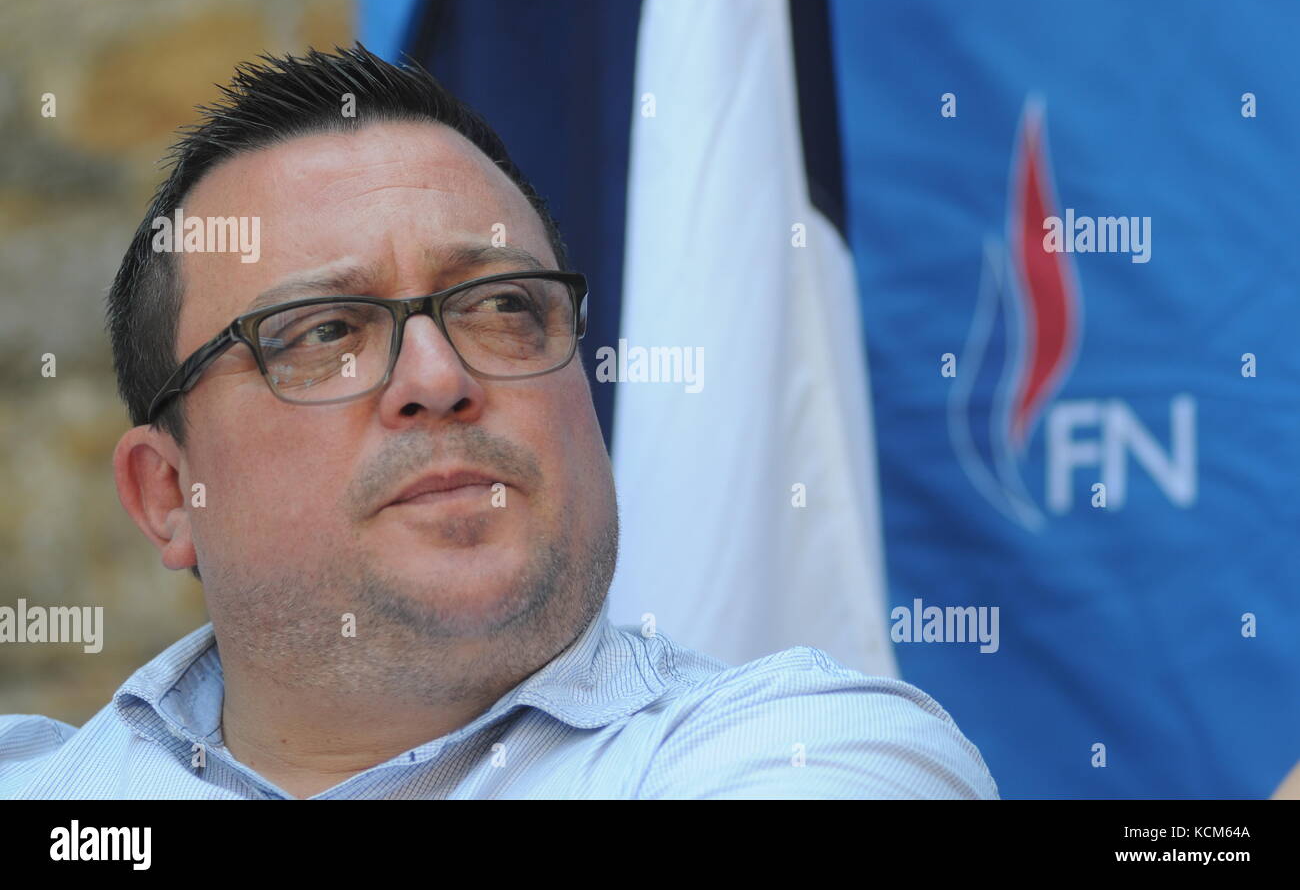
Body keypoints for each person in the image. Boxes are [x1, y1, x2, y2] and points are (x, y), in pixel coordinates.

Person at [0, 44, 997, 799]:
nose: (438, 377)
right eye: (325, 330)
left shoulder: (815, 752)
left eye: (501, 306)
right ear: (168, 494)